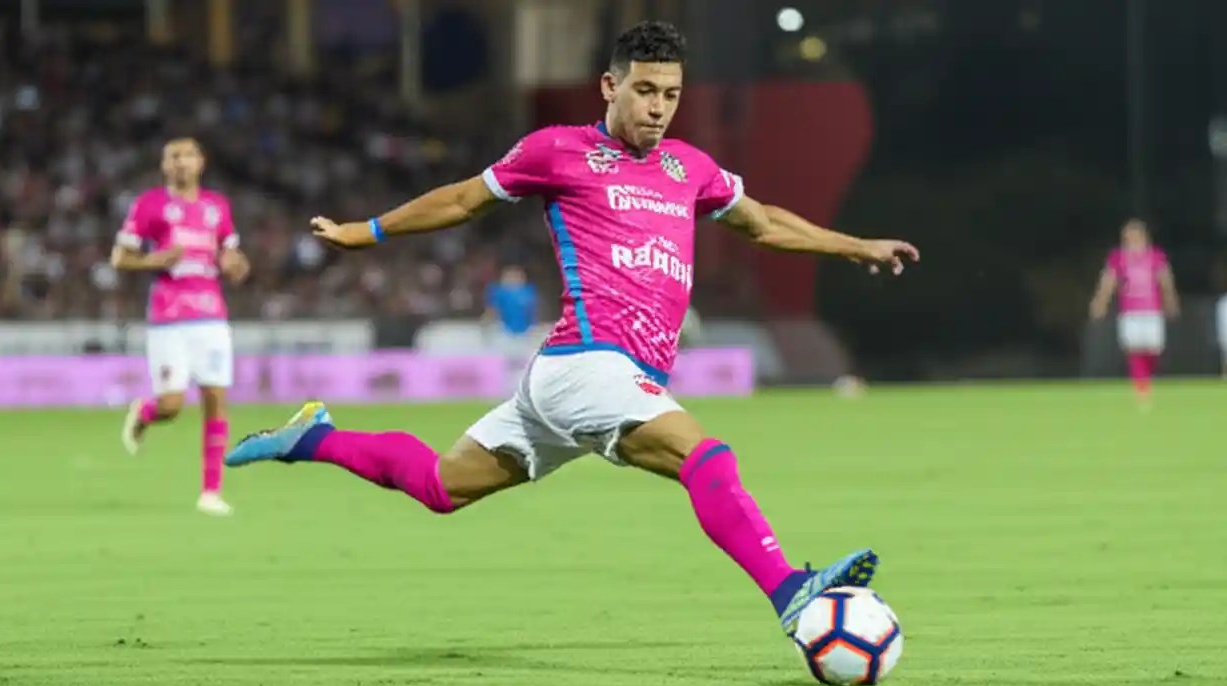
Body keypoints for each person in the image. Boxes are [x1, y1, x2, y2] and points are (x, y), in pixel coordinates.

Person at [225, 22, 918, 636]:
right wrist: (365, 231)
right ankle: (792, 593)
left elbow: (764, 221)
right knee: (705, 457)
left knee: (442, 485)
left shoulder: (690, 168)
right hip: (589, 363)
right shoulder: (558, 151)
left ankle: (312, 437)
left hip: (587, 382)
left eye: (670, 94)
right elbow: (465, 198)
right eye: (645, 90)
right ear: (609, 86)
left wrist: (856, 246)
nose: (657, 107)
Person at [113, 137, 250, 516]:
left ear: (201, 162)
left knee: (215, 400)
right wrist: (154, 260)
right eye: (173, 157)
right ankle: (145, 413)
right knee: (172, 405)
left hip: (211, 317)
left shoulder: (217, 208)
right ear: (164, 166)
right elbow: (120, 258)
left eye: (188, 155)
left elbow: (235, 261)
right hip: (168, 319)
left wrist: (235, 266)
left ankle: (211, 492)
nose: (181, 163)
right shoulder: (149, 205)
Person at [1089, 219, 1179, 403]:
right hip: (1130, 311)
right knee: (1133, 350)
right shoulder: (1118, 257)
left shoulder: (1155, 256)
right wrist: (1100, 302)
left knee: (1153, 349)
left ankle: (1147, 378)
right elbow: (1108, 281)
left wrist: (1170, 300)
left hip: (1152, 310)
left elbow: (1165, 280)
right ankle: (1141, 389)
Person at [483, 264, 539, 365]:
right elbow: (492, 309)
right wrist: (487, 323)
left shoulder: (528, 291)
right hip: (505, 331)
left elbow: (532, 311)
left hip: (524, 332)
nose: (513, 279)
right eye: (509, 276)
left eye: (516, 276)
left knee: (524, 362)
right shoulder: (498, 291)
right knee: (503, 361)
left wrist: (533, 327)